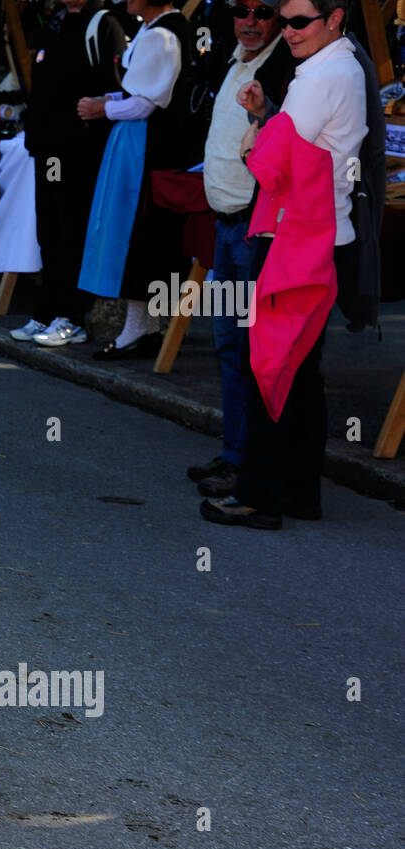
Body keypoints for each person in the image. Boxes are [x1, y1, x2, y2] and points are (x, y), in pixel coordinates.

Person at [201, 0, 368, 529]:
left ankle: (259, 496)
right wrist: (267, 121)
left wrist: (260, 135)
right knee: (297, 371)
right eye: (287, 20)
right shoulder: (336, 65)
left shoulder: (323, 73)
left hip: (298, 236)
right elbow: (293, 144)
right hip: (315, 233)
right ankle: (297, 492)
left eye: (299, 21)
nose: (287, 31)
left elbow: (270, 162)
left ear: (335, 17)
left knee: (269, 365)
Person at [187, 0, 294, 497]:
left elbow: (289, 136)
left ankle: (249, 464)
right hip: (228, 227)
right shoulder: (234, 58)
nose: (250, 20)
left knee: (254, 352)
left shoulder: (286, 64)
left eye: (263, 10)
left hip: (257, 232)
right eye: (240, 9)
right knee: (230, 347)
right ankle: (235, 456)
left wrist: (266, 110)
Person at [76, 0, 197, 359]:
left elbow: (146, 105)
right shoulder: (153, 29)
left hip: (146, 148)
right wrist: (110, 98)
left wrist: (102, 109)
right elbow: (139, 92)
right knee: (143, 235)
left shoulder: (162, 35)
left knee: (138, 234)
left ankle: (138, 330)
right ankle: (145, 328)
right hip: (141, 144)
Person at [15, 0, 126, 348]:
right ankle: (47, 310)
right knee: (49, 229)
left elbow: (118, 85)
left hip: (80, 149)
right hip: (47, 148)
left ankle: (73, 315)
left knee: (73, 229)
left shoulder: (105, 24)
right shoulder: (55, 22)